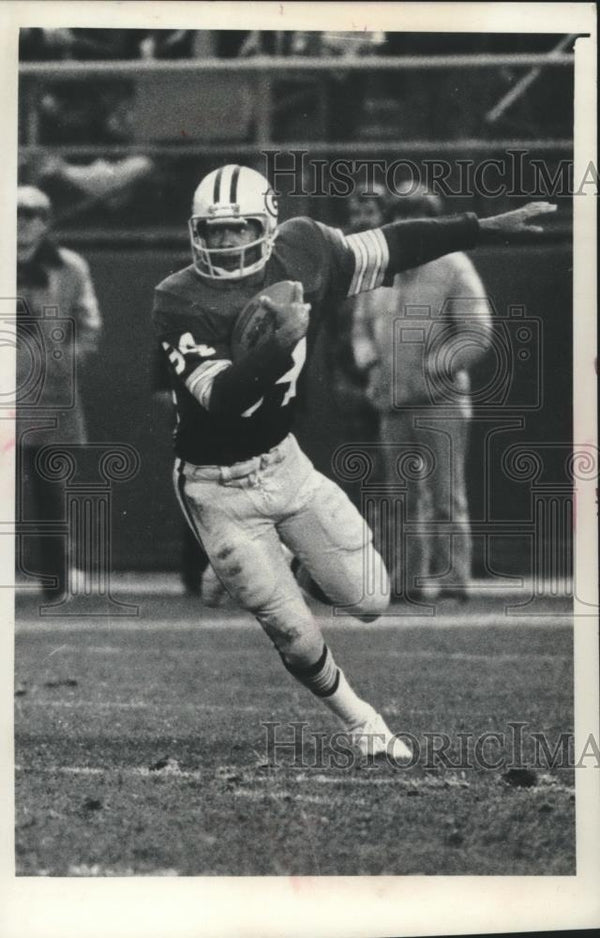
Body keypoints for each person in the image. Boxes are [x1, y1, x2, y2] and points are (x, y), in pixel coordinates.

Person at [151, 164, 554, 760]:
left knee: (370, 599)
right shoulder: (178, 297)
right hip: (216, 488)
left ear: (265, 225)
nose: (223, 243)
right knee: (292, 631)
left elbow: (398, 241)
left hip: (284, 464)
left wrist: (483, 227)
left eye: (236, 229)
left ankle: (285, 552)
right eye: (211, 232)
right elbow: (220, 397)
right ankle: (362, 720)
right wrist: (280, 341)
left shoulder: (304, 249)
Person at [352, 185, 493, 601]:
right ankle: (406, 581)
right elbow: (361, 326)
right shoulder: (380, 269)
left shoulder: (455, 266)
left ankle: (454, 583)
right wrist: (371, 364)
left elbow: (478, 333)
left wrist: (436, 367)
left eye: (417, 217)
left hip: (442, 402)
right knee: (401, 499)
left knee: (447, 495)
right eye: (400, 216)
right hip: (393, 404)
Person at [16, 185, 102, 598]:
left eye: (31, 214)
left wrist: (63, 362)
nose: (22, 222)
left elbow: (89, 326)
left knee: (50, 492)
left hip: (48, 396)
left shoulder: (70, 268)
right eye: (14, 213)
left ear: (46, 221)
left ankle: (55, 581)